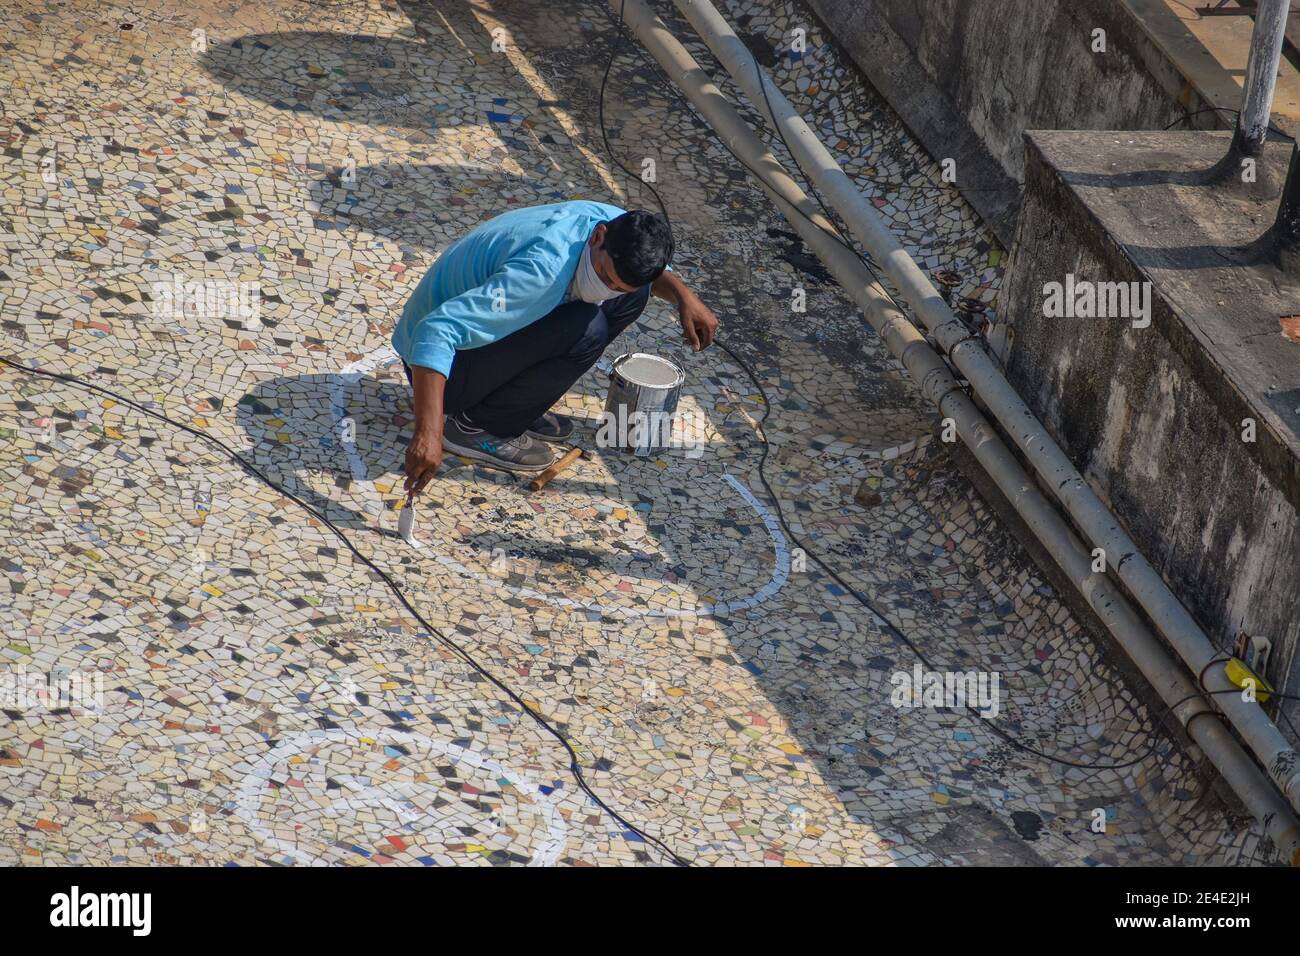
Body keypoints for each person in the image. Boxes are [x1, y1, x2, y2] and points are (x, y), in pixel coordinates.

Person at [393, 200, 718, 494]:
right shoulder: (539, 274)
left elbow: (644, 273)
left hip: (480, 343)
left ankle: (512, 405)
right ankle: (476, 427)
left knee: (634, 297)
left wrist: (683, 296)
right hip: (443, 371)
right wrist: (428, 432)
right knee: (587, 330)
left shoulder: (612, 222)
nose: (607, 290)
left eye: (617, 285)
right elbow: (435, 330)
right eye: (606, 277)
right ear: (598, 237)